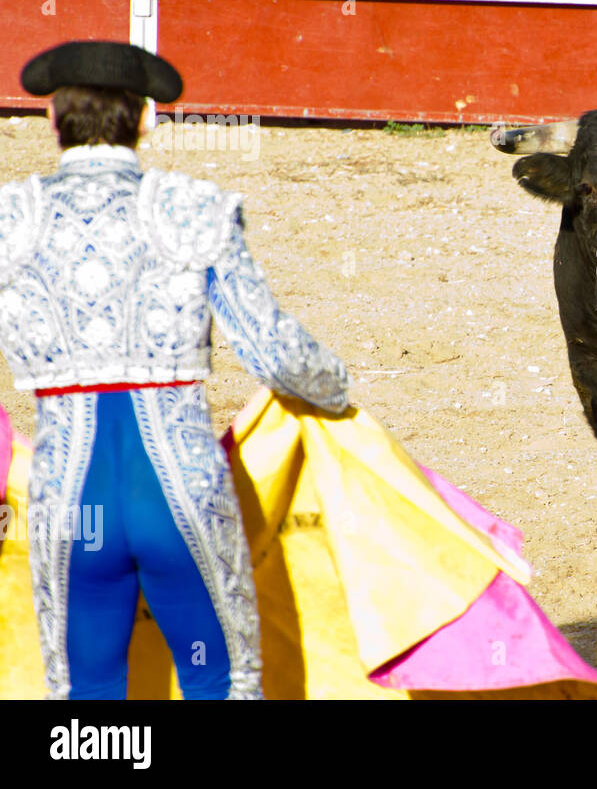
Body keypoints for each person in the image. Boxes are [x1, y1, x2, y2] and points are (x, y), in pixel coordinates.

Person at [0, 40, 349, 699]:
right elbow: (276, 354)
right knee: (221, 678)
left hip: (71, 503)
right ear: (146, 119)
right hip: (181, 490)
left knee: (85, 693)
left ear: (52, 122)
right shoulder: (195, 209)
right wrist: (340, 395)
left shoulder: (9, 219)